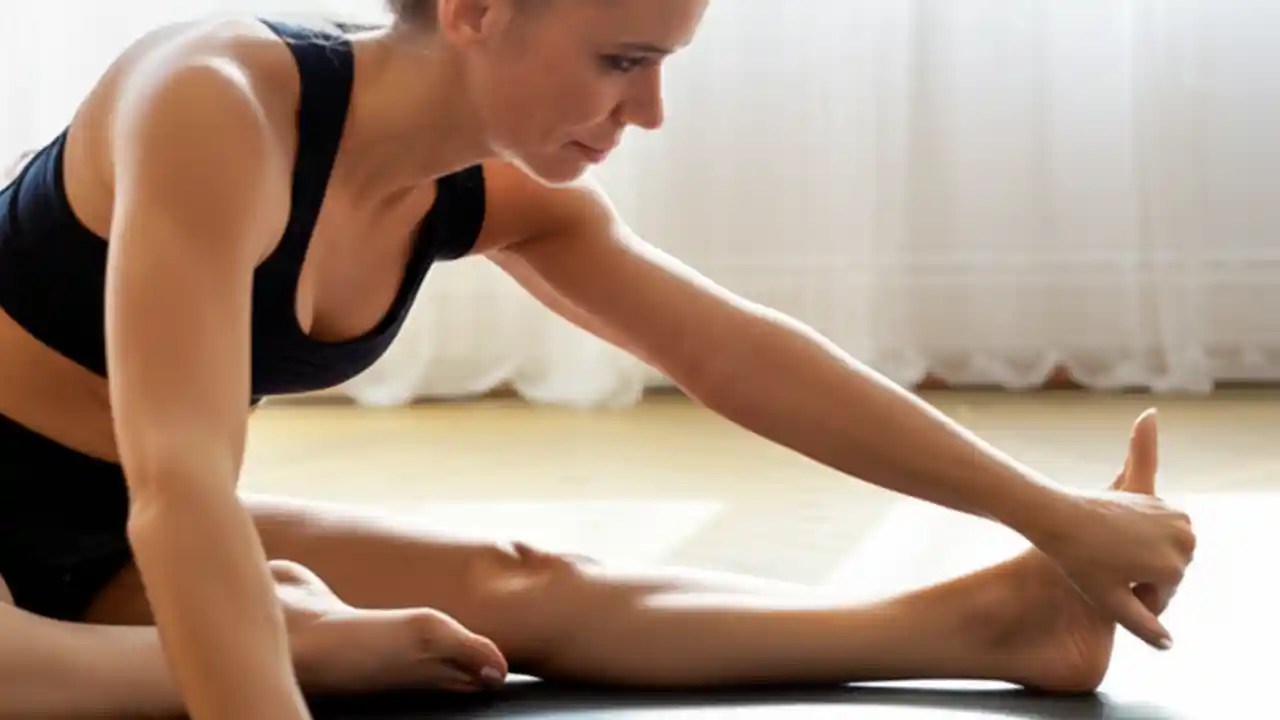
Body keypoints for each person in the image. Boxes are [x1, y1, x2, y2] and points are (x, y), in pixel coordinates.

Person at [0, 1, 1196, 718]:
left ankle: (994, 623)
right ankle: (306, 647)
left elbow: (734, 353)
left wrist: (1046, 517)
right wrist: (284, 670)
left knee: (526, 579)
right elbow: (183, 486)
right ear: (474, 8)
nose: (650, 109)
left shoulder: (495, 191)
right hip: (124, 513)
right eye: (623, 61)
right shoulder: (215, 104)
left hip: (99, 524)